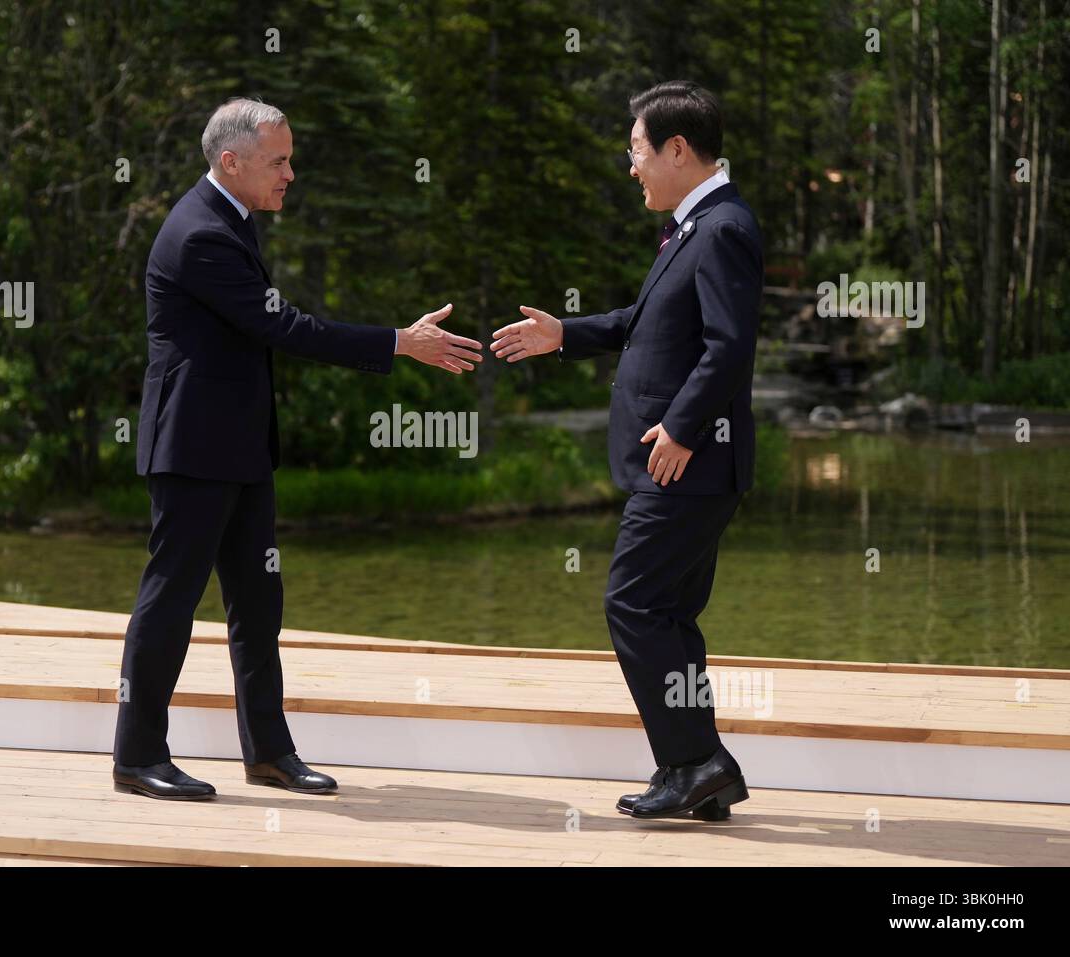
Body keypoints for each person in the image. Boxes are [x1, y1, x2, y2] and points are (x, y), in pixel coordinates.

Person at [113, 97, 482, 800]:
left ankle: (270, 754)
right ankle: (137, 756)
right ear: (232, 162)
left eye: (289, 158)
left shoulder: (232, 220)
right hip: (192, 450)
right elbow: (287, 328)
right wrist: (400, 342)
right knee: (169, 601)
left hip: (241, 449)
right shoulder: (201, 235)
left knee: (259, 604)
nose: (290, 173)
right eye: (278, 161)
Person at [490, 80, 762, 821]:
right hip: (688, 462)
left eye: (637, 151)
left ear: (678, 149)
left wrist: (680, 427)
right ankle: (700, 772)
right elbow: (647, 326)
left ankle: (695, 760)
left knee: (632, 602)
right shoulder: (693, 225)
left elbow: (729, 346)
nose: (630, 165)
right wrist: (563, 335)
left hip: (687, 461)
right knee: (668, 614)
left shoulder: (721, 228)